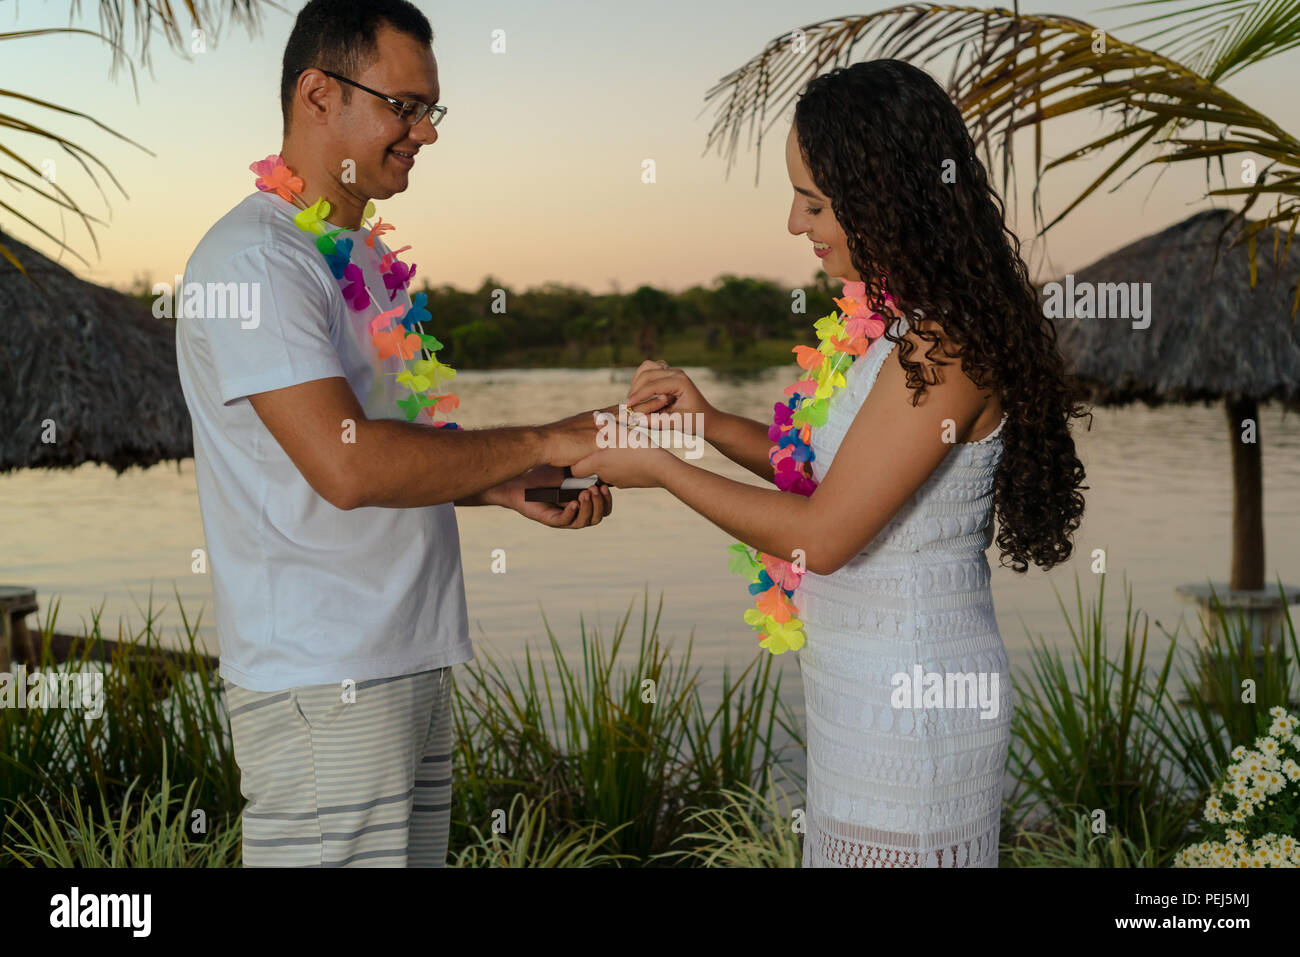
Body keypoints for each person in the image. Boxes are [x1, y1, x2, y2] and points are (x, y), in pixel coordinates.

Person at [573, 59, 1090, 868]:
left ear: (886, 193)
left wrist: (666, 470)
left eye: (813, 202)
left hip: (913, 709)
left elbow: (827, 532)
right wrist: (705, 425)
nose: (793, 223)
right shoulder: (895, 328)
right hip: (862, 693)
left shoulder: (943, 343)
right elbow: (827, 470)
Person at [175, 0, 611, 867]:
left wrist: (495, 484)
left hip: (403, 655)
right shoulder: (256, 260)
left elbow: (388, 448)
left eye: (431, 110)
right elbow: (346, 462)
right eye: (404, 106)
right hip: (322, 676)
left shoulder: (362, 259)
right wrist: (541, 437)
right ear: (317, 94)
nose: (426, 133)